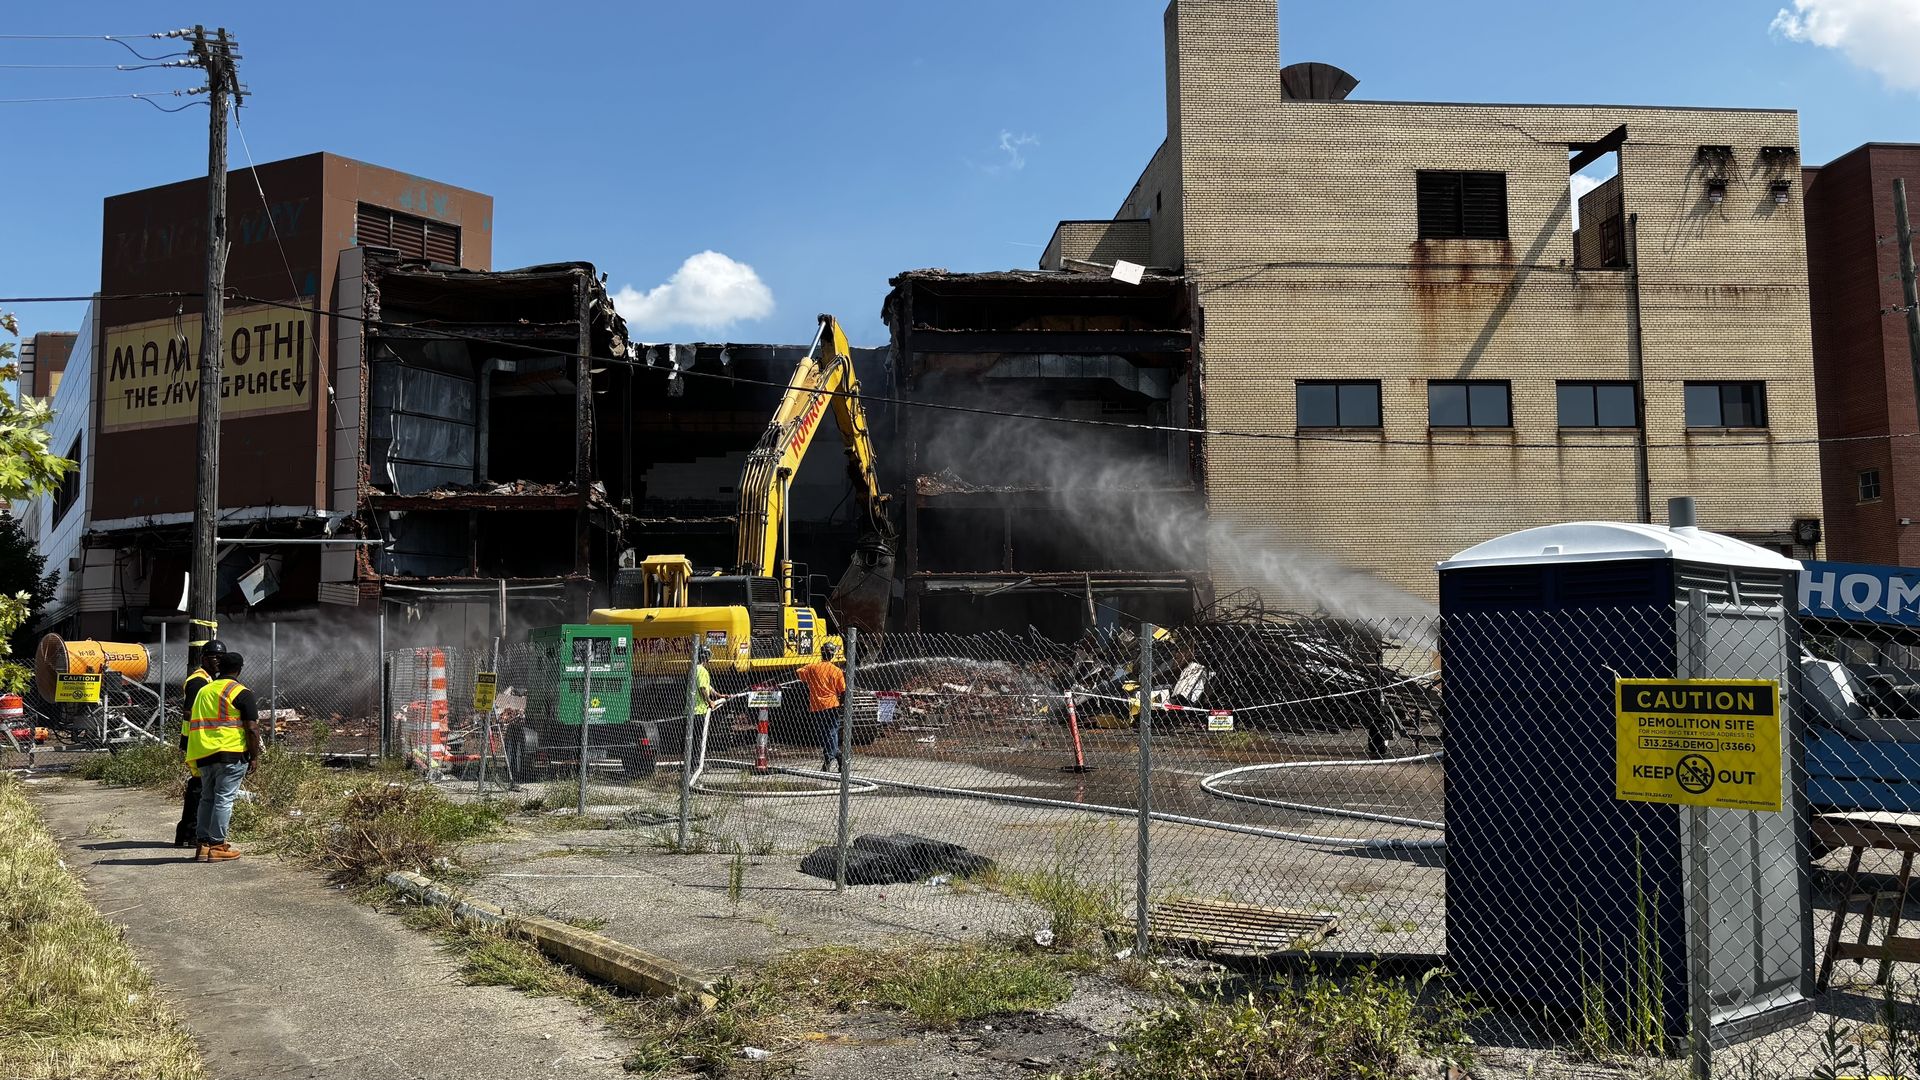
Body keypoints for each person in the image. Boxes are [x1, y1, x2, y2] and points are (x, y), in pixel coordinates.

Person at [185, 651, 260, 862]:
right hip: (231, 753)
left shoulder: (204, 691)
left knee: (207, 798)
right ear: (240, 668)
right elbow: (252, 729)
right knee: (224, 799)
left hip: (204, 752)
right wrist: (254, 756)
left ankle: (203, 846)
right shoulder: (242, 693)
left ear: (219, 667)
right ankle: (218, 845)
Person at [173, 639, 225, 848]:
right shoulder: (198, 681)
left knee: (199, 785)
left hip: (199, 740)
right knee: (199, 788)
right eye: (215, 657)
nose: (218, 661)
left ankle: (186, 832)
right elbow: (188, 711)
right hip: (196, 741)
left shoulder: (208, 679)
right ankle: (191, 832)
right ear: (204, 658)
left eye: (221, 658)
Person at [796, 642, 848, 772]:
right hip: (832, 704)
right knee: (831, 732)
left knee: (825, 734)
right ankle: (836, 755)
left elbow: (799, 672)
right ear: (832, 655)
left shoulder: (812, 668)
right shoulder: (836, 671)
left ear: (821, 653)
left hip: (817, 706)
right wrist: (842, 704)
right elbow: (843, 691)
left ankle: (829, 758)